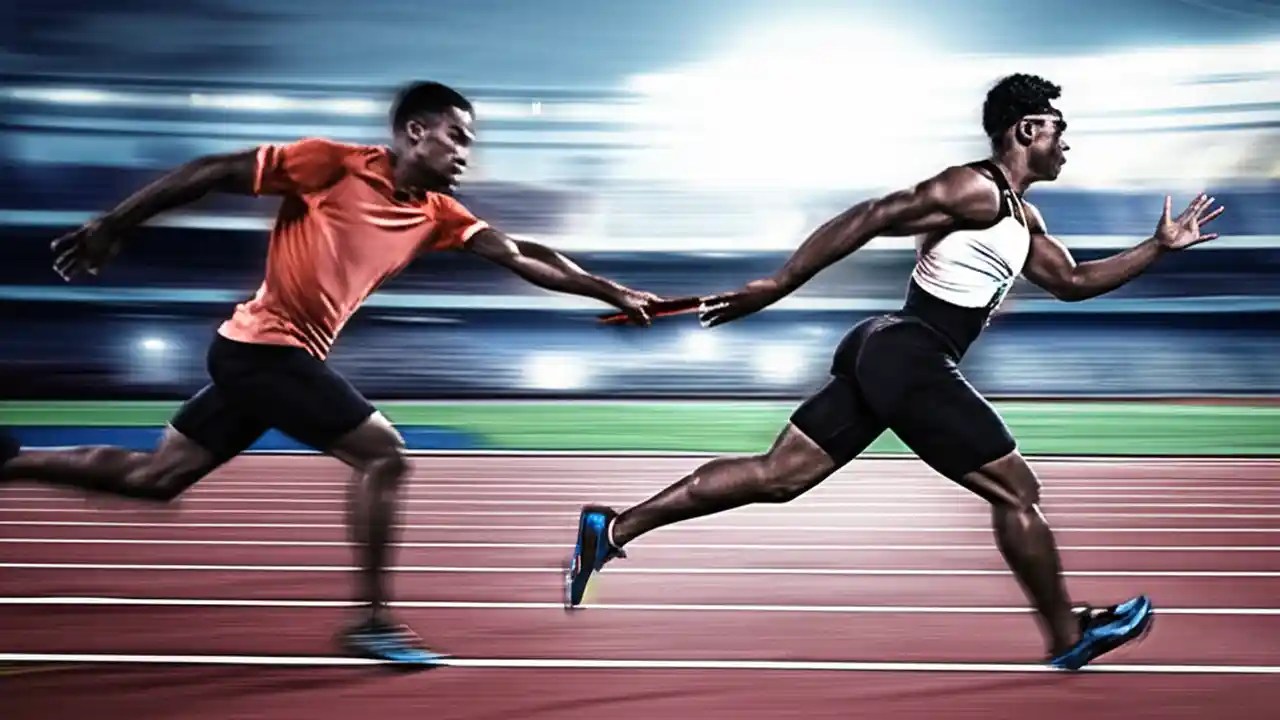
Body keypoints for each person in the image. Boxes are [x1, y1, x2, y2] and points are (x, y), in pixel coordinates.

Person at [564, 73, 1225, 671]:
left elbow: (1073, 282)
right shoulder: (973, 188)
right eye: (1059, 129)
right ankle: (1065, 636)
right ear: (1027, 129)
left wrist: (1157, 247)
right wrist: (775, 285)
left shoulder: (1022, 216)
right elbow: (873, 214)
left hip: (890, 351)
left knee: (779, 476)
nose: (1066, 143)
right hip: (910, 350)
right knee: (1016, 490)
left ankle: (612, 529)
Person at [0, 80, 659, 665]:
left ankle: (11, 462)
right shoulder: (331, 164)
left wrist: (611, 290)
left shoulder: (437, 213)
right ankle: (372, 622)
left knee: (156, 477)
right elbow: (213, 170)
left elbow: (520, 253)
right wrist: (116, 222)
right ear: (415, 131)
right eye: (457, 137)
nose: (466, 153)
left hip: (265, 357)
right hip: (261, 353)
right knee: (384, 456)